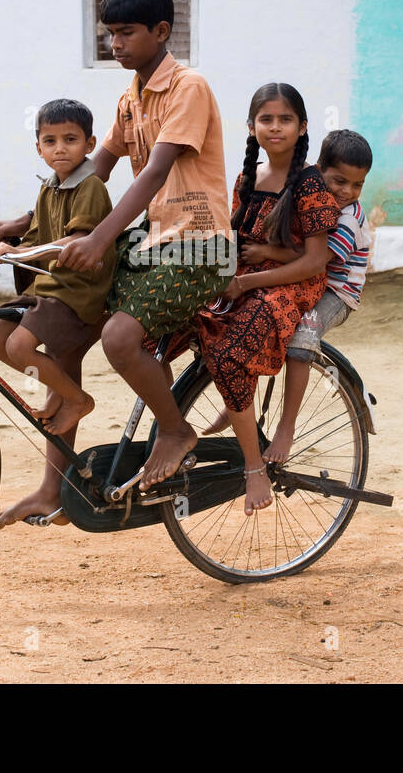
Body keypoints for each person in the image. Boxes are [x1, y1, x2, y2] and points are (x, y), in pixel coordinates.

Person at [50, 0, 235, 494]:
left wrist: (99, 238)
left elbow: (153, 172)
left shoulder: (188, 88)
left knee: (119, 336)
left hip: (202, 247)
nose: (115, 45)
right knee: (67, 312)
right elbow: (93, 169)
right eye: (110, 34)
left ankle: (176, 431)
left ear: (161, 30)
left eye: (126, 32)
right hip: (154, 244)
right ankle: (55, 480)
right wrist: (25, 223)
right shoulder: (130, 99)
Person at [163, 83, 341, 515]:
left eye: (285, 119)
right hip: (249, 273)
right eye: (266, 119)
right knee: (172, 324)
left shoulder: (310, 185)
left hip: (293, 284)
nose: (275, 127)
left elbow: (315, 262)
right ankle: (227, 403)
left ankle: (253, 466)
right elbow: (236, 239)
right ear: (251, 126)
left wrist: (245, 284)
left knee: (230, 347)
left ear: (301, 128)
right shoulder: (249, 177)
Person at [0, 99, 115, 528]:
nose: (60, 149)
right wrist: (0, 241)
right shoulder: (50, 186)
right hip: (47, 287)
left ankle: (75, 398)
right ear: (38, 147)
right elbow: (35, 235)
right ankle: (60, 388)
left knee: (18, 343)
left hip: (77, 291)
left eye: (70, 140)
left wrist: (12, 251)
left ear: (89, 144)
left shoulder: (90, 187)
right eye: (50, 141)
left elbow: (68, 246)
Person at [245, 129, 373, 464]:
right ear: (319, 170)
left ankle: (286, 428)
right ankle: (240, 399)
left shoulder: (350, 219)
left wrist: (267, 252)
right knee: (261, 313)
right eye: (339, 181)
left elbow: (317, 259)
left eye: (357, 185)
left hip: (336, 292)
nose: (347, 192)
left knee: (302, 337)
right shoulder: (311, 194)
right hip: (311, 279)